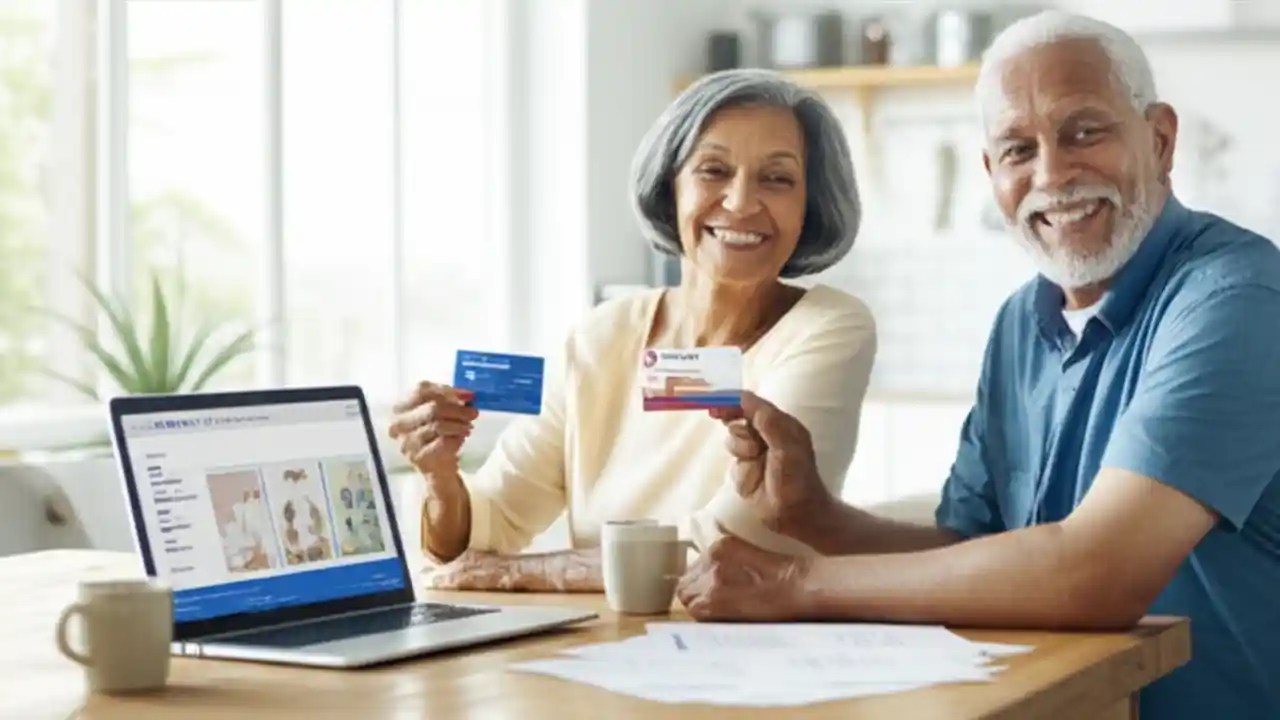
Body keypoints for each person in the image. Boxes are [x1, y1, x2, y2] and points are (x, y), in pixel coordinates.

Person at [676, 11, 1280, 720]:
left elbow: (1098, 573)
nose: (1052, 174)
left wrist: (798, 582)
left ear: (1160, 138)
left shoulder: (1237, 295)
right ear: (992, 174)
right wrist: (816, 516)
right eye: (1018, 150)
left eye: (1084, 132)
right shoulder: (1020, 324)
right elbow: (974, 551)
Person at [388, 69, 877, 592]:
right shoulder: (606, 335)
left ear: (810, 206)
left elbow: (741, 546)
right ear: (671, 188)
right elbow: (485, 531)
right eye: (713, 170)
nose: (739, 203)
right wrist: (440, 477)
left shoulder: (828, 327)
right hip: (602, 647)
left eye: (777, 179)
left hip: (744, 649)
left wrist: (530, 572)